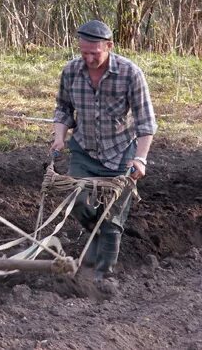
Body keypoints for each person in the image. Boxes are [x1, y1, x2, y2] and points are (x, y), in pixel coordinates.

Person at [50, 19, 157, 283]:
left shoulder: (130, 74)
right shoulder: (71, 71)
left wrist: (140, 159)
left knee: (111, 221)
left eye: (94, 53)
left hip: (120, 155)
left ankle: (102, 278)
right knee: (74, 201)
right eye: (83, 52)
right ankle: (94, 241)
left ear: (109, 46)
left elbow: (146, 122)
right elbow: (63, 108)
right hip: (83, 150)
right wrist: (59, 137)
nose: (88, 58)